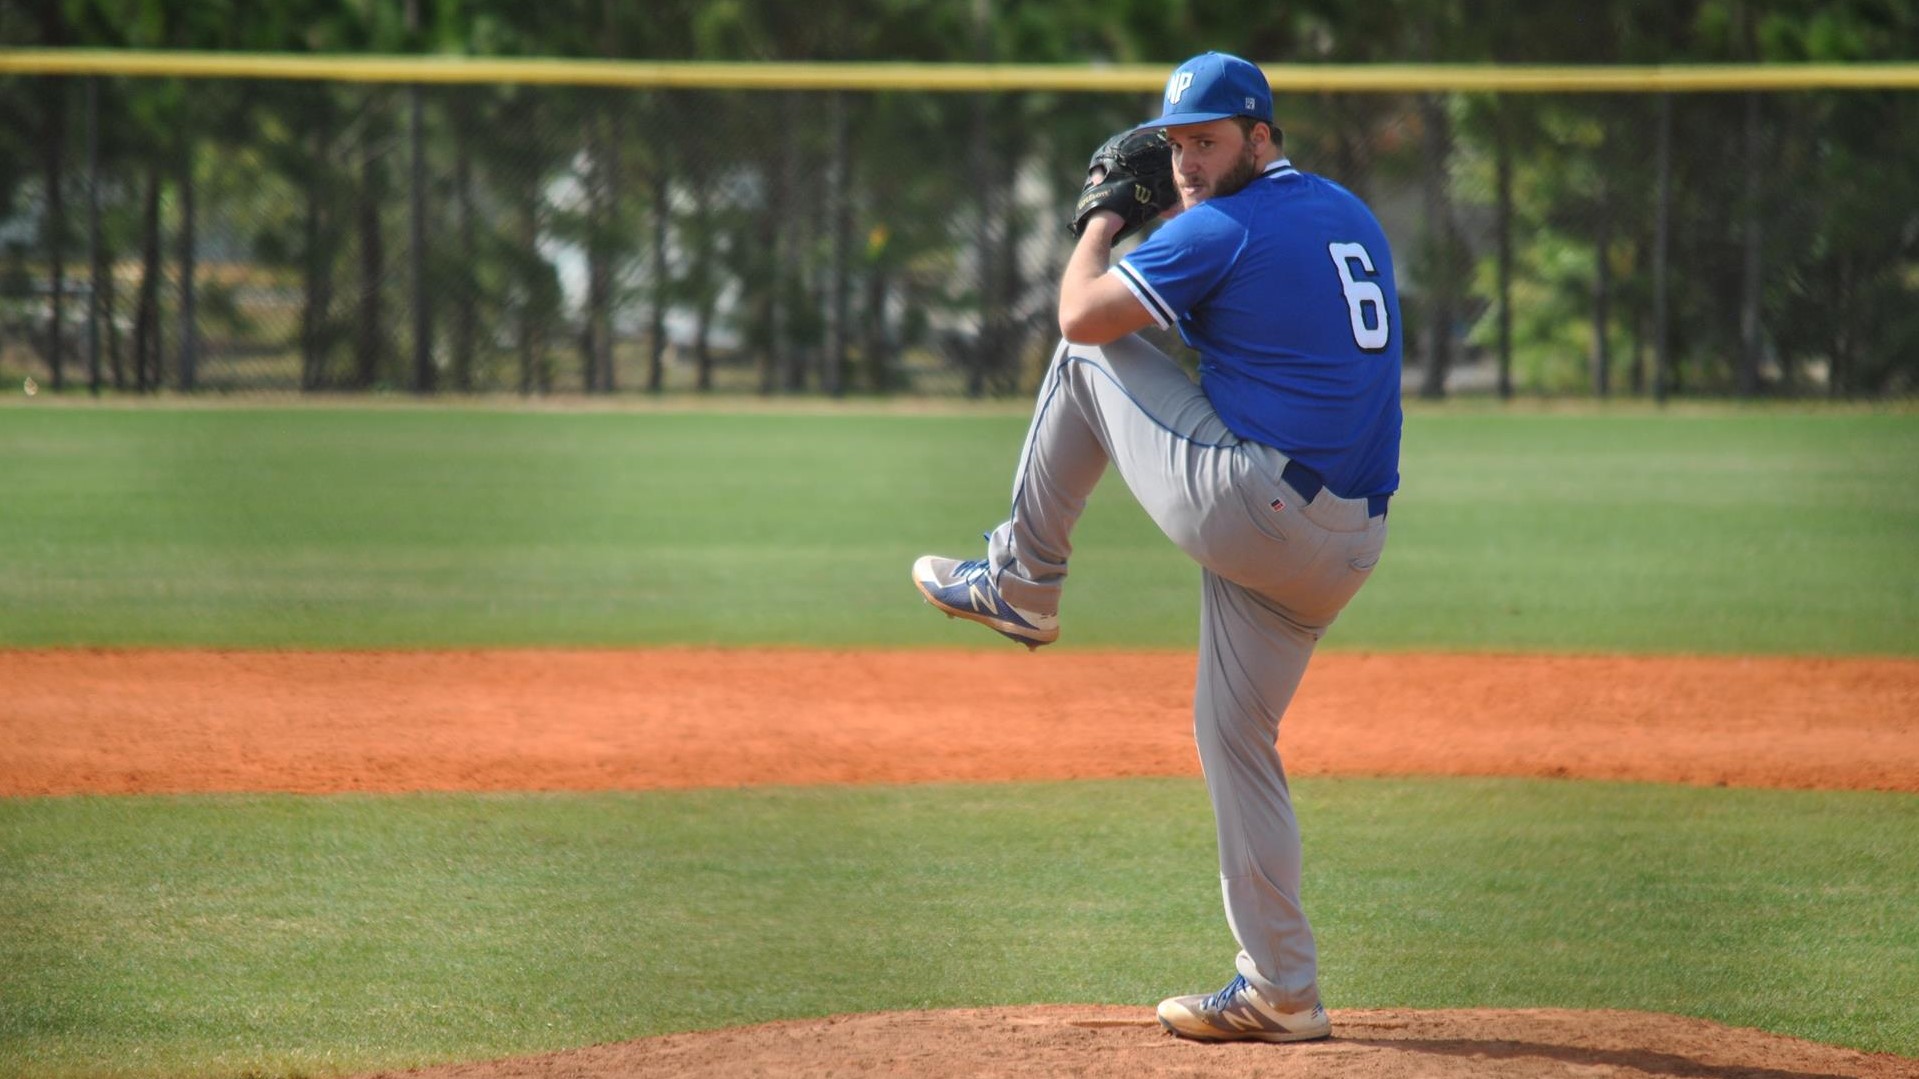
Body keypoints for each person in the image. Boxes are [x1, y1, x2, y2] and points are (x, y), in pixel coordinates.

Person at [911, 50, 1401, 1044]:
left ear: (1259, 137)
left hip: (1257, 507)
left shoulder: (1221, 225)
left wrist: (1099, 219)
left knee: (1081, 348)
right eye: (1176, 144)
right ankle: (1282, 988)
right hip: (1349, 541)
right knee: (1232, 735)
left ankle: (1020, 579)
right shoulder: (1345, 210)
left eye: (1206, 142)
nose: (1186, 162)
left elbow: (1081, 311)